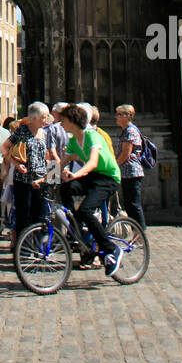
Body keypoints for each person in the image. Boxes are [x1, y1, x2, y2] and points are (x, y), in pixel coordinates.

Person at [58, 103, 124, 277]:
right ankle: (77, 231)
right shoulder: (73, 141)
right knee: (66, 189)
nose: (60, 124)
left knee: (86, 209)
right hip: (94, 176)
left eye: (63, 120)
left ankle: (111, 249)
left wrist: (76, 174)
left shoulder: (92, 136)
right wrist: (43, 180)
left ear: (72, 121)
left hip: (108, 177)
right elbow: (61, 165)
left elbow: (93, 162)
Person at [2, 102, 52, 241]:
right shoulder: (21, 131)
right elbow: (4, 148)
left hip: (41, 181)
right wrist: (16, 164)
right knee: (23, 216)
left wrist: (53, 179)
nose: (45, 120)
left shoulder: (47, 133)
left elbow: (51, 156)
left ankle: (38, 249)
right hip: (23, 180)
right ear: (34, 118)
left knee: (40, 216)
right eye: (43, 117)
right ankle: (23, 249)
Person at [115, 104, 147, 230]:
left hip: (132, 172)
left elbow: (126, 153)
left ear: (128, 116)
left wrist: (115, 165)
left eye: (119, 114)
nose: (116, 117)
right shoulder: (126, 130)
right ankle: (137, 232)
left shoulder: (130, 131)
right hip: (127, 172)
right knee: (129, 204)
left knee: (133, 204)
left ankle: (140, 233)